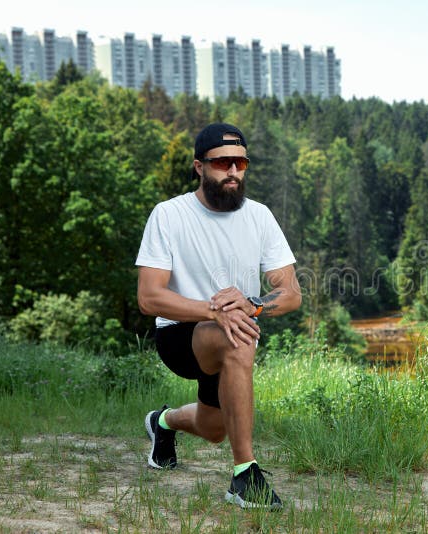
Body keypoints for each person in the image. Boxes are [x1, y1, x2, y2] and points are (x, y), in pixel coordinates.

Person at [135, 123, 301, 510]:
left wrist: (253, 303)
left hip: (231, 331)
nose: (233, 171)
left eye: (240, 163)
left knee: (213, 430)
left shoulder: (259, 217)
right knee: (239, 335)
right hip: (180, 333)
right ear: (199, 166)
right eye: (223, 162)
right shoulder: (169, 215)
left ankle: (162, 423)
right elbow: (149, 297)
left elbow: (291, 293)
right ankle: (246, 475)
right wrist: (216, 309)